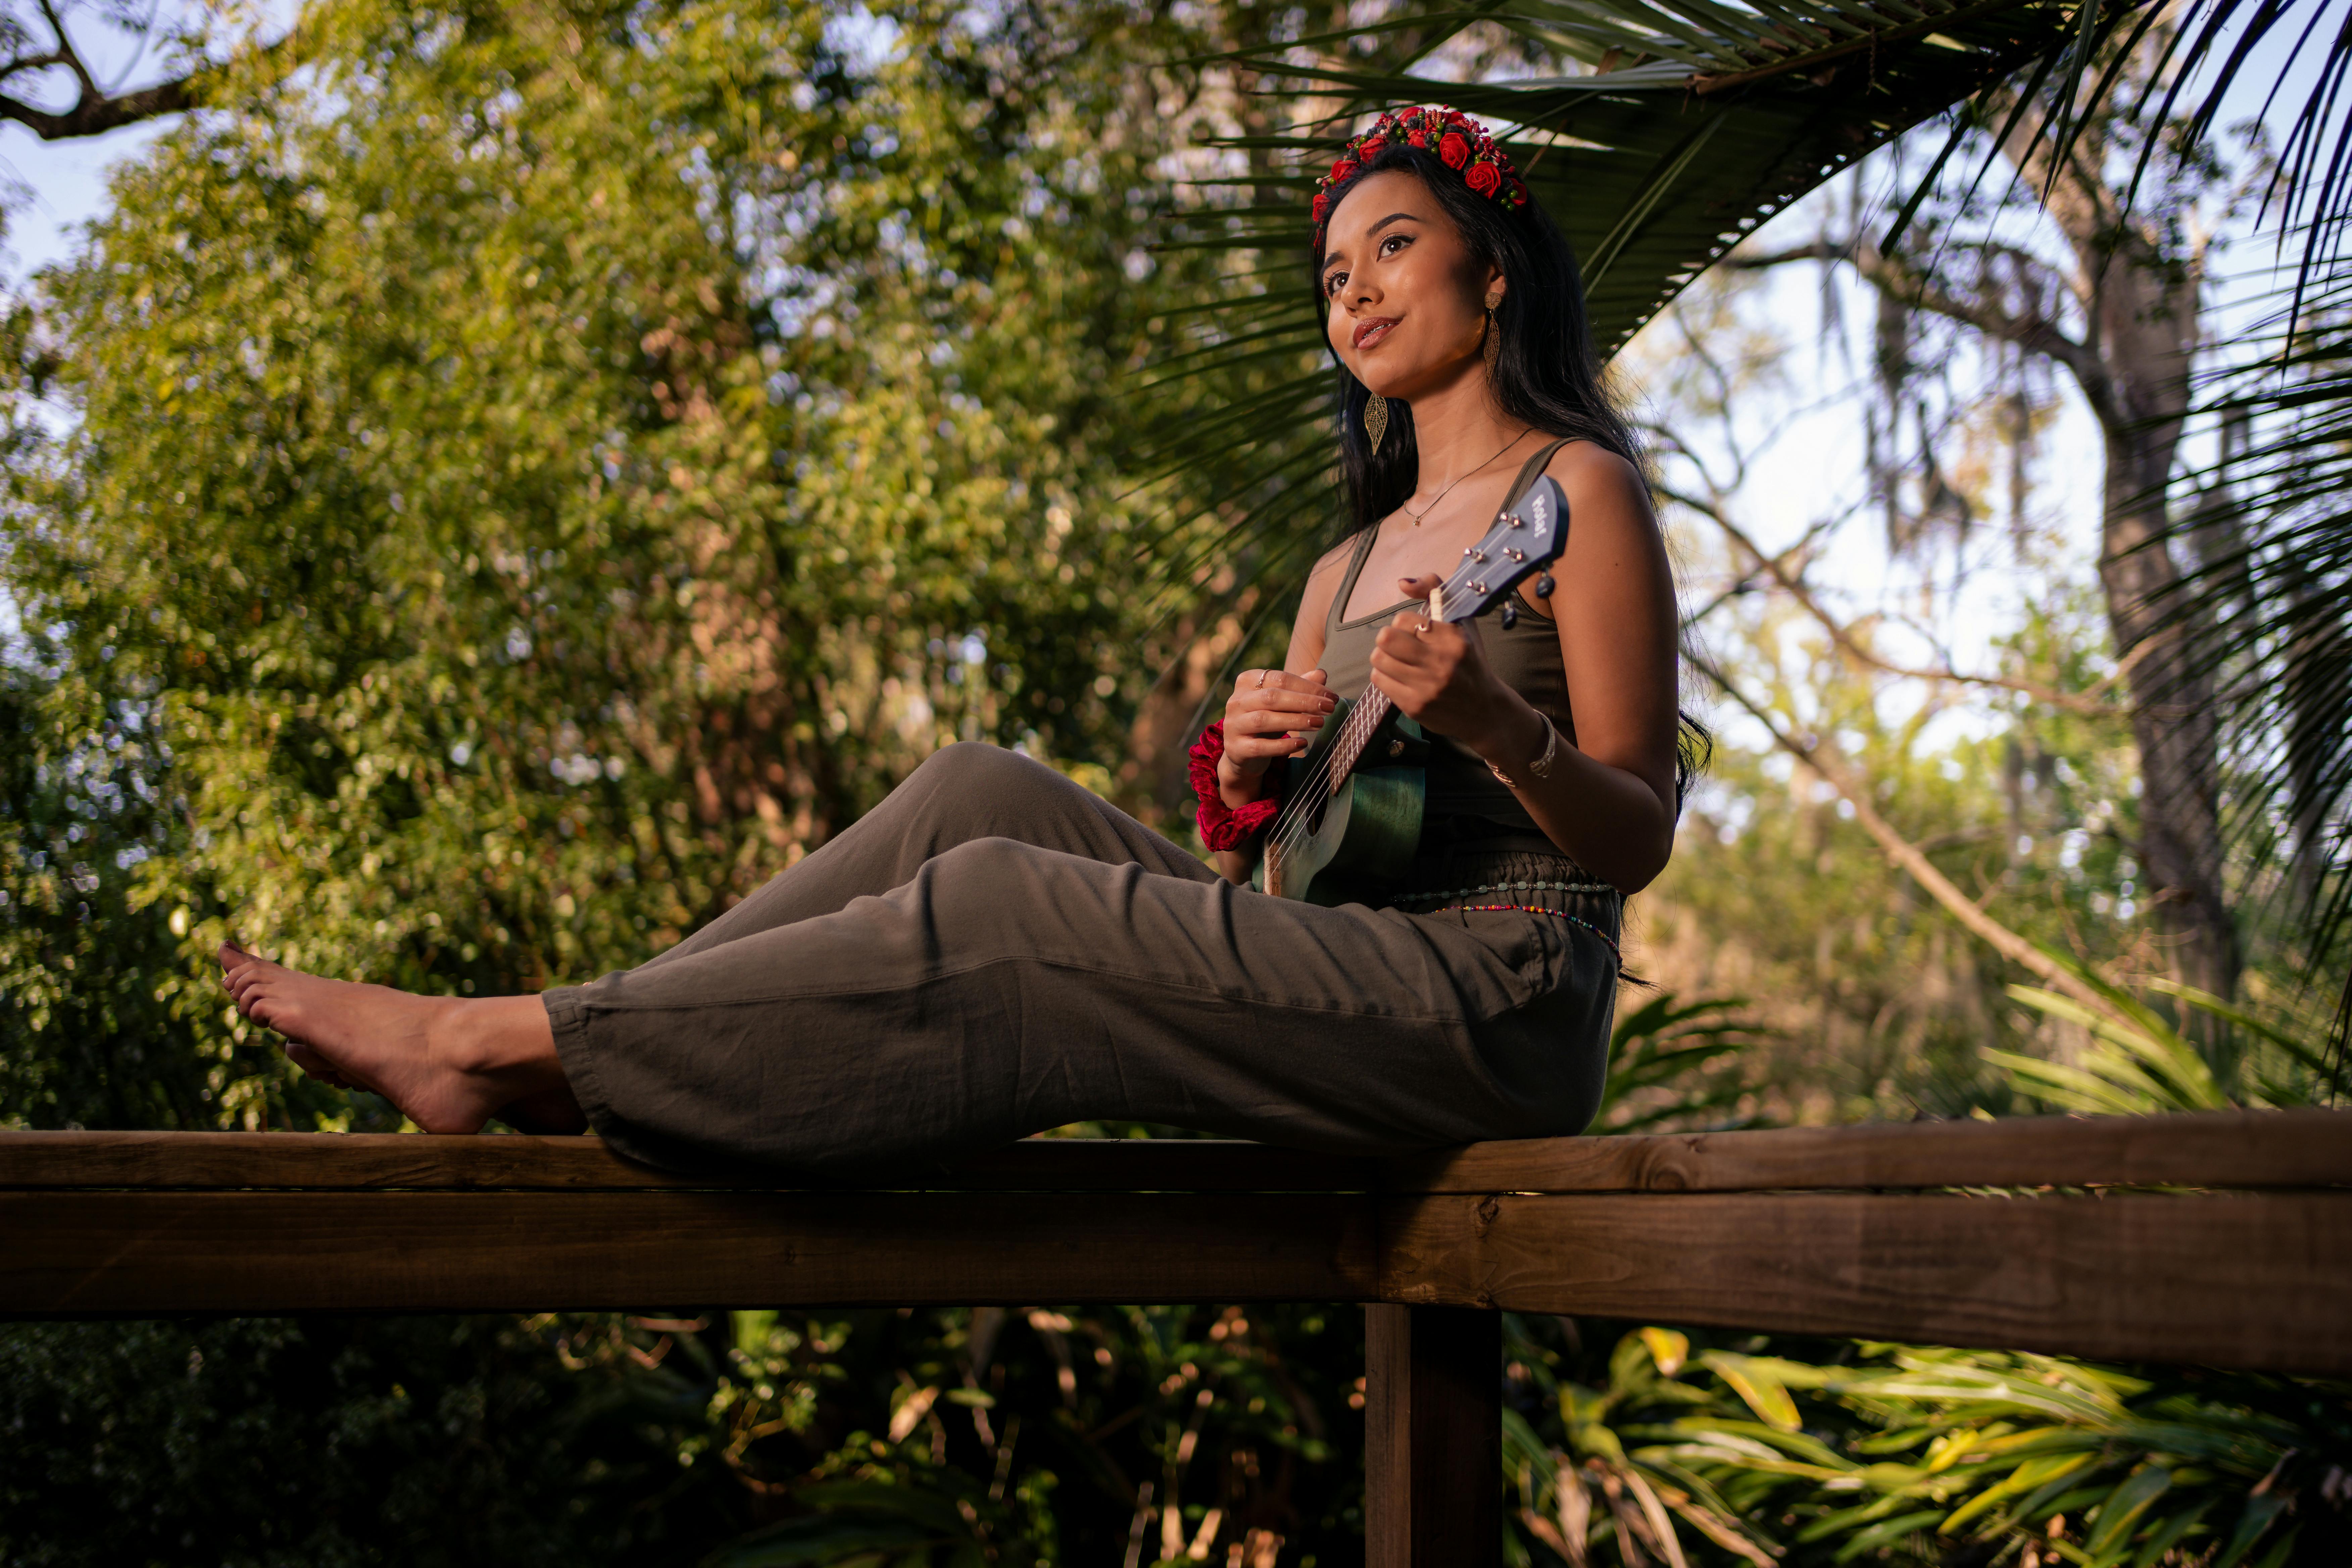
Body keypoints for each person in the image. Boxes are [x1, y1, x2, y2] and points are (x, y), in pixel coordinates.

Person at [218, 106, 1692, 1174]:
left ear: (1494, 269)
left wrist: (1504, 729)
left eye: (1393, 247)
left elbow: (1633, 838)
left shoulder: (1579, 494)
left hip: (1503, 996)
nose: (1353, 289)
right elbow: (1273, 884)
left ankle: (488, 1046)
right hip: (1352, 968)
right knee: (973, 791)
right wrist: (1253, 784)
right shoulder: (1347, 567)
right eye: (1332, 275)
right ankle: (590, 1053)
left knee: (1003, 896)